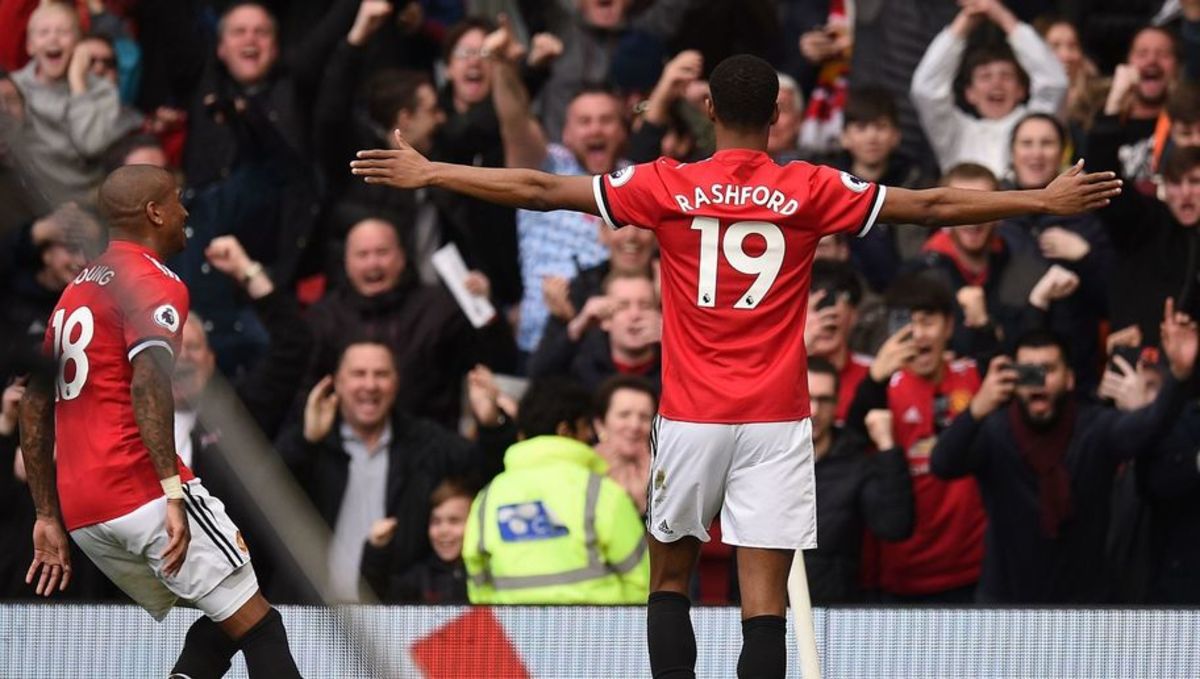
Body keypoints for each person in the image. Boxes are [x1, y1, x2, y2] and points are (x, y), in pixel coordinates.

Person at [351, 53, 1120, 679]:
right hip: (778, 418)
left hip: (690, 415)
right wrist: (1040, 200)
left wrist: (433, 172)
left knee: (670, 583)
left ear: (708, 112)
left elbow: (540, 187)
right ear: (779, 116)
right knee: (764, 604)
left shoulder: (665, 182)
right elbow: (935, 207)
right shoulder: (812, 187)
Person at [18, 165, 300, 677]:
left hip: (84, 512)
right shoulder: (152, 281)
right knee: (262, 627)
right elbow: (149, 381)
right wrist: (172, 491)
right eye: (176, 201)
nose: (185, 212)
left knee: (224, 616)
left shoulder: (75, 291)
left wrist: (45, 512)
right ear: (153, 212)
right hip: (140, 490)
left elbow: (35, 402)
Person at [930, 321, 1197, 603]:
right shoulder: (994, 432)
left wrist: (1179, 377)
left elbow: (1148, 427)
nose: (1039, 380)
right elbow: (943, 464)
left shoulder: (1094, 429)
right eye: (1028, 372)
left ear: (1069, 378)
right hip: (1005, 605)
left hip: (1084, 604)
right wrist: (976, 409)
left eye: (1049, 369)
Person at [276, 340, 496, 602]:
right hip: (310, 612)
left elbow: (489, 480)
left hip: (393, 615)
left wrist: (492, 425)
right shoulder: (312, 444)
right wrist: (306, 441)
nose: (370, 385)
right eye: (359, 374)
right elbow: (262, 498)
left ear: (396, 383)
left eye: (381, 374)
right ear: (337, 383)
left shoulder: (427, 445)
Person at [461, 377, 649, 604]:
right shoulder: (601, 493)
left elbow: (477, 577)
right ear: (565, 430)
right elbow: (642, 582)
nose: (590, 437)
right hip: (594, 635)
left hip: (513, 634)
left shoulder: (489, 496)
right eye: (585, 428)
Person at [910, 0, 1067, 177]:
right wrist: (965, 20)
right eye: (985, 77)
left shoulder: (1034, 127)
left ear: (1022, 90)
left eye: (1006, 76)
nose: (996, 84)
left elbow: (1055, 84)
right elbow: (926, 90)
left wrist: (1003, 17)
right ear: (969, 94)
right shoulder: (955, 133)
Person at [802, 358, 913, 605]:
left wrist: (887, 447)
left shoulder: (855, 462)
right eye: (807, 397)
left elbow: (894, 526)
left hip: (835, 613)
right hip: (762, 612)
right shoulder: (761, 456)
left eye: (825, 400)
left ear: (838, 403)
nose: (814, 410)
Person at [361, 478, 473, 604]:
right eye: (436, 522)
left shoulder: (486, 574)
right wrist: (376, 550)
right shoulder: (416, 580)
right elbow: (376, 598)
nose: (443, 530)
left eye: (454, 520)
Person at [593, 375, 657, 515]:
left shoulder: (665, 475)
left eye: (644, 417)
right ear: (600, 425)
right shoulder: (583, 469)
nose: (635, 425)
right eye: (624, 415)